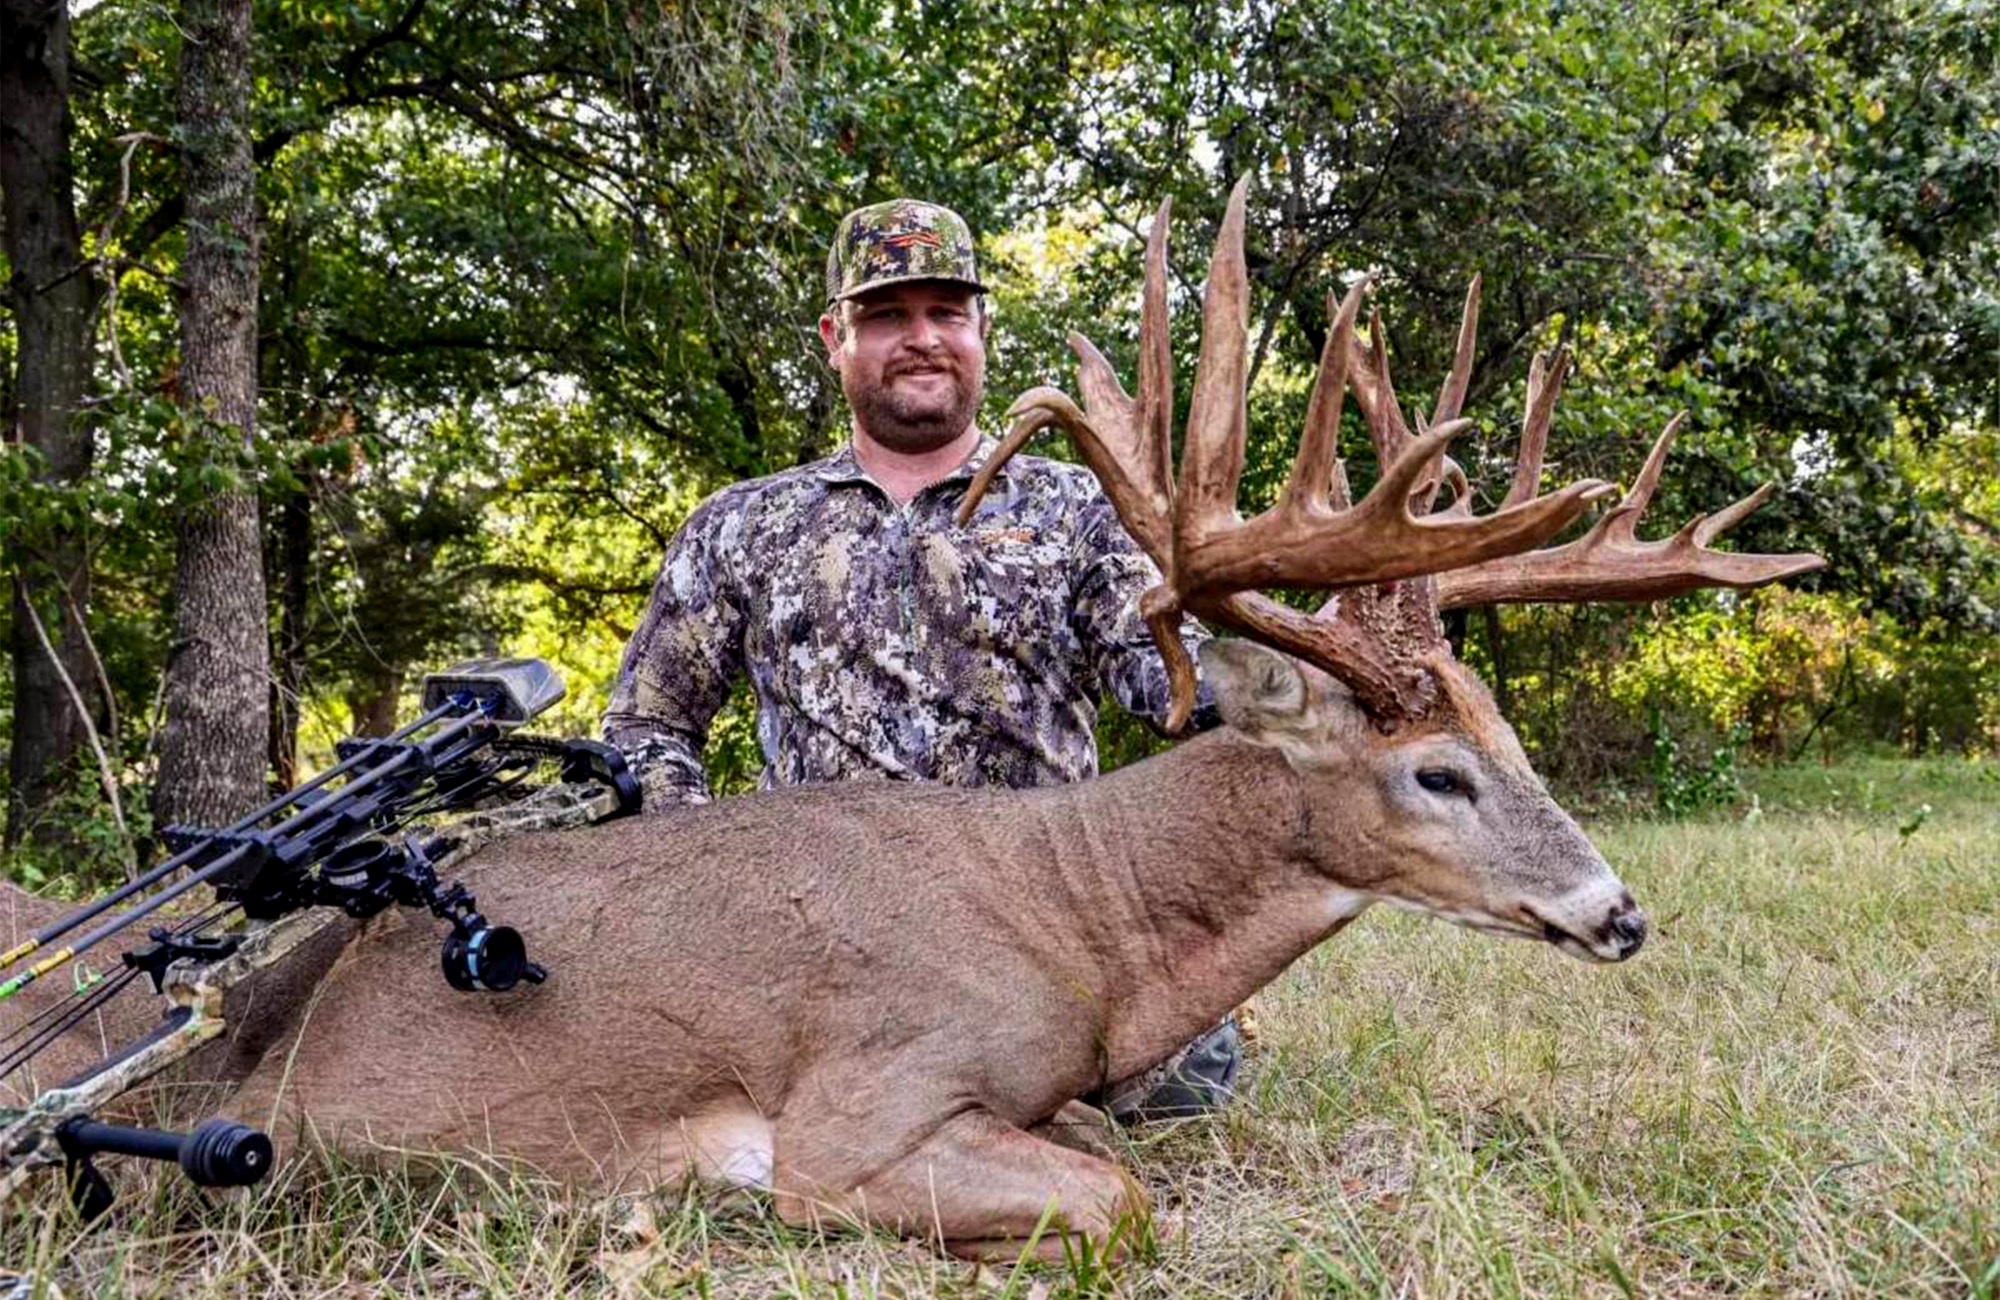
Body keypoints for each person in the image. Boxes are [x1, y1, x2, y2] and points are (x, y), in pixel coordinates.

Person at [602, 197, 1238, 1120]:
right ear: (835, 336)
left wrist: (1289, 680)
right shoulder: (745, 525)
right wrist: (705, 883)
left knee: (1188, 1081)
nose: (921, 339)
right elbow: (647, 723)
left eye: (946, 313)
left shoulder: (1080, 509)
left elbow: (1164, 674)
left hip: (1037, 924)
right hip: (825, 941)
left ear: (983, 329)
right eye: (887, 316)